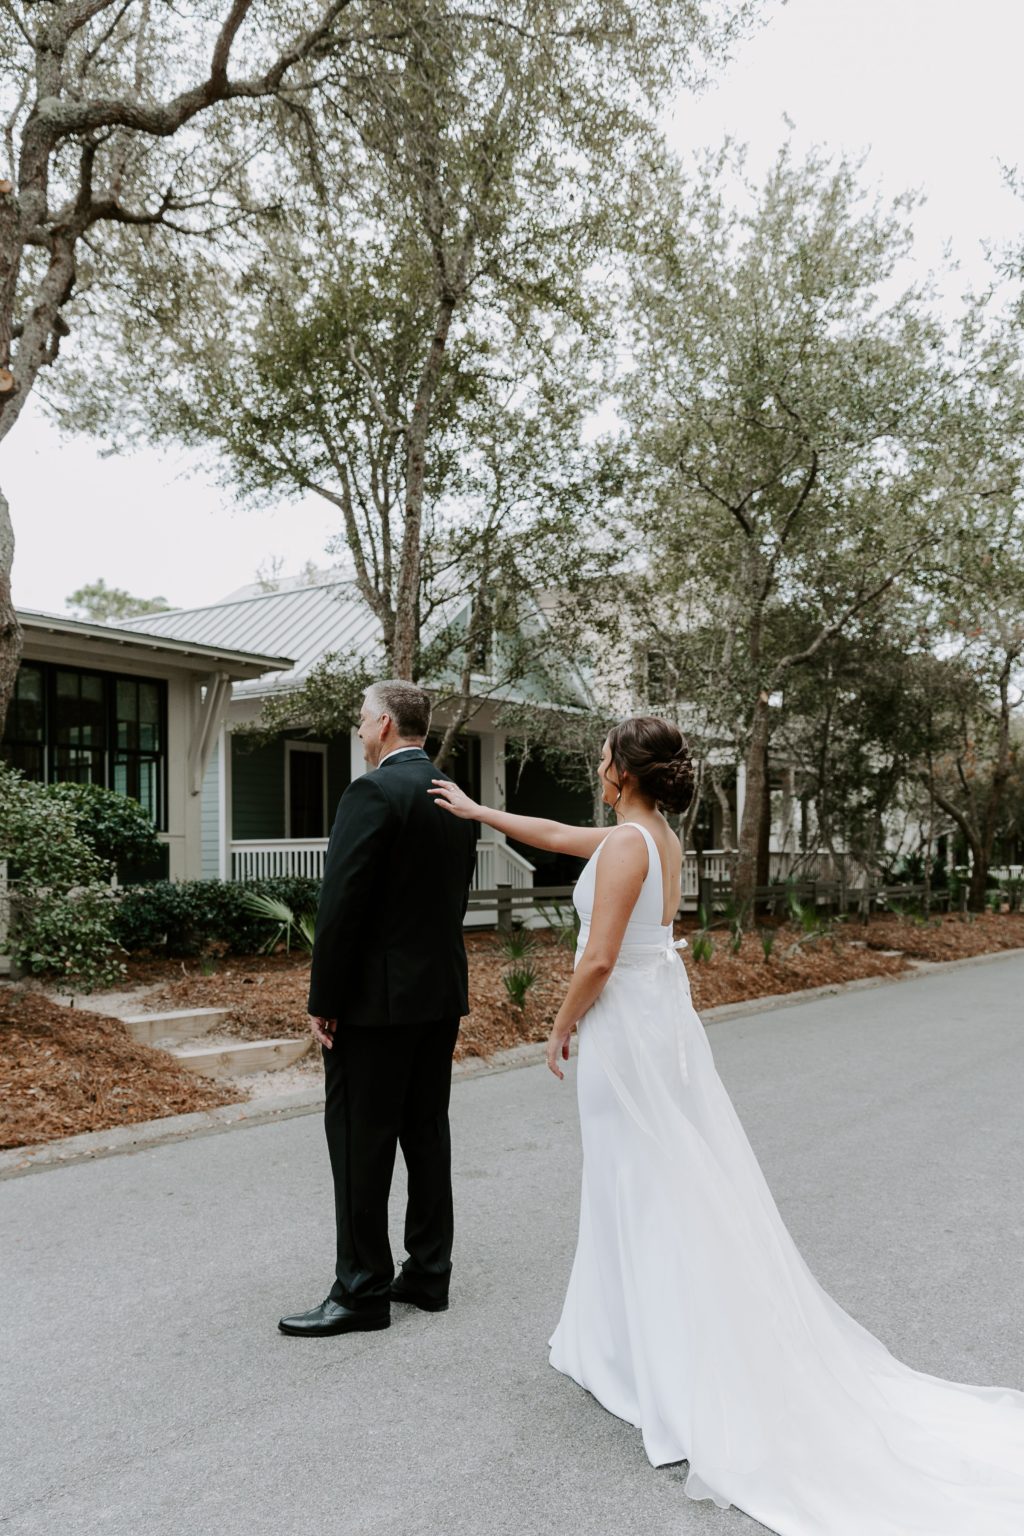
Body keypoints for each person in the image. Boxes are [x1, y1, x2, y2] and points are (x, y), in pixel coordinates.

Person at [430, 714, 1024, 1535]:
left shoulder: (631, 845)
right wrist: (480, 811)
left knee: (641, 1182)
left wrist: (560, 1024)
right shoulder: (650, 835)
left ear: (622, 773)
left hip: (624, 1025)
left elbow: (598, 958)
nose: (597, 765)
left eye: (603, 756)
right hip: (656, 1017)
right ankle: (622, 1341)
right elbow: (564, 835)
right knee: (647, 1177)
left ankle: (664, 1358)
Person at [279, 680, 478, 1338]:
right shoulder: (451, 795)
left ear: (388, 726)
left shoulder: (371, 792)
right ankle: (427, 1273)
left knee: (360, 1141)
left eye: (364, 722)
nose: (360, 732)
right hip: (437, 994)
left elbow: (344, 904)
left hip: (375, 1003)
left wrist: (324, 999)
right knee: (426, 1132)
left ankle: (362, 1288)